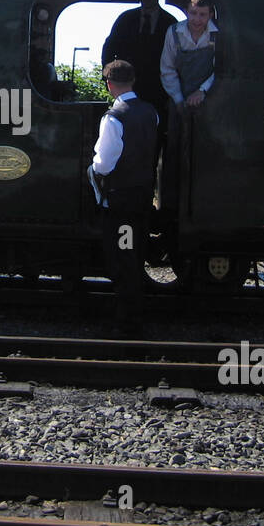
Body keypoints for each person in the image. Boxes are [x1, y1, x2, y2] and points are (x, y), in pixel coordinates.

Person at [88, 60, 158, 333]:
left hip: (120, 200)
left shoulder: (113, 117)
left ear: (109, 84)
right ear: (133, 80)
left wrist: (91, 170)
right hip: (141, 195)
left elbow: (104, 164)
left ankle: (128, 320)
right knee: (134, 253)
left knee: (122, 257)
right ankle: (131, 313)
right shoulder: (151, 112)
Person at [158, 0, 218, 217]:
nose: (197, 19)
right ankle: (171, 209)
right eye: (193, 13)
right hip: (178, 99)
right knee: (174, 151)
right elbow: (167, 69)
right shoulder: (173, 33)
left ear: (210, 14)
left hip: (210, 100)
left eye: (203, 15)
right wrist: (179, 99)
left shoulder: (218, 36)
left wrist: (202, 91)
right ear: (187, 11)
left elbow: (220, 69)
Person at [102, 0, 177, 114]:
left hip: (159, 89)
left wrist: (173, 93)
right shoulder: (125, 19)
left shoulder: (170, 22)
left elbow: (176, 59)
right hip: (127, 87)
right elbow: (109, 48)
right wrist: (109, 77)